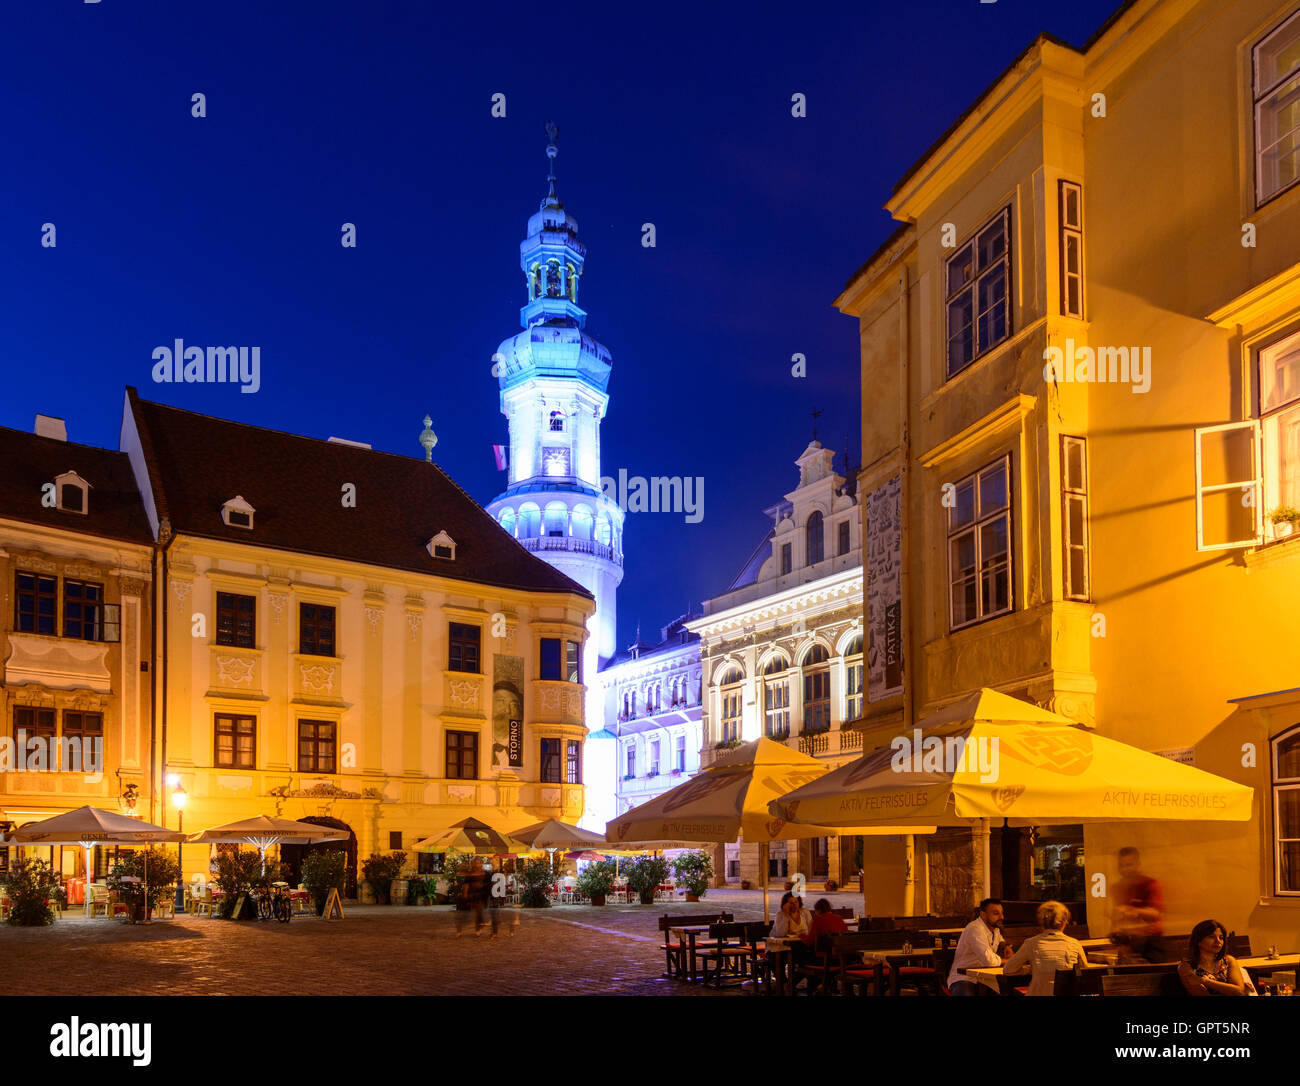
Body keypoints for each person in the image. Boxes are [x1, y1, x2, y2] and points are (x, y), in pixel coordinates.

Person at [1000, 900, 1086, 996]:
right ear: (1063, 922)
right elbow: (1084, 971)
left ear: (1042, 922)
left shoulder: (1031, 943)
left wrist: (1031, 968)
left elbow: (1008, 969)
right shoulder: (1074, 944)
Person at [1108, 846, 1166, 962]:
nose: (1124, 869)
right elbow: (1116, 916)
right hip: (1128, 943)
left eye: (1129, 865)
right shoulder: (1117, 887)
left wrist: (1131, 910)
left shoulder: (1150, 884)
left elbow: (1156, 914)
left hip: (1151, 943)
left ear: (1138, 864)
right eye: (1121, 865)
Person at [947, 898, 1010, 996]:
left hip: (985, 979)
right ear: (983, 915)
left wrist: (1005, 946)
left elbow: (1000, 940)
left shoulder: (995, 929)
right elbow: (989, 960)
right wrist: (1008, 961)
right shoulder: (975, 929)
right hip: (964, 978)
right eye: (996, 913)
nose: (1001, 917)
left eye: (1002, 913)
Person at [1178, 920, 1256, 996]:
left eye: (1221, 937)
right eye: (1211, 937)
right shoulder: (1186, 967)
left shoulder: (1228, 960)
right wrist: (1231, 989)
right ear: (1198, 941)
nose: (1218, 941)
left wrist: (1205, 981)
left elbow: (1239, 991)